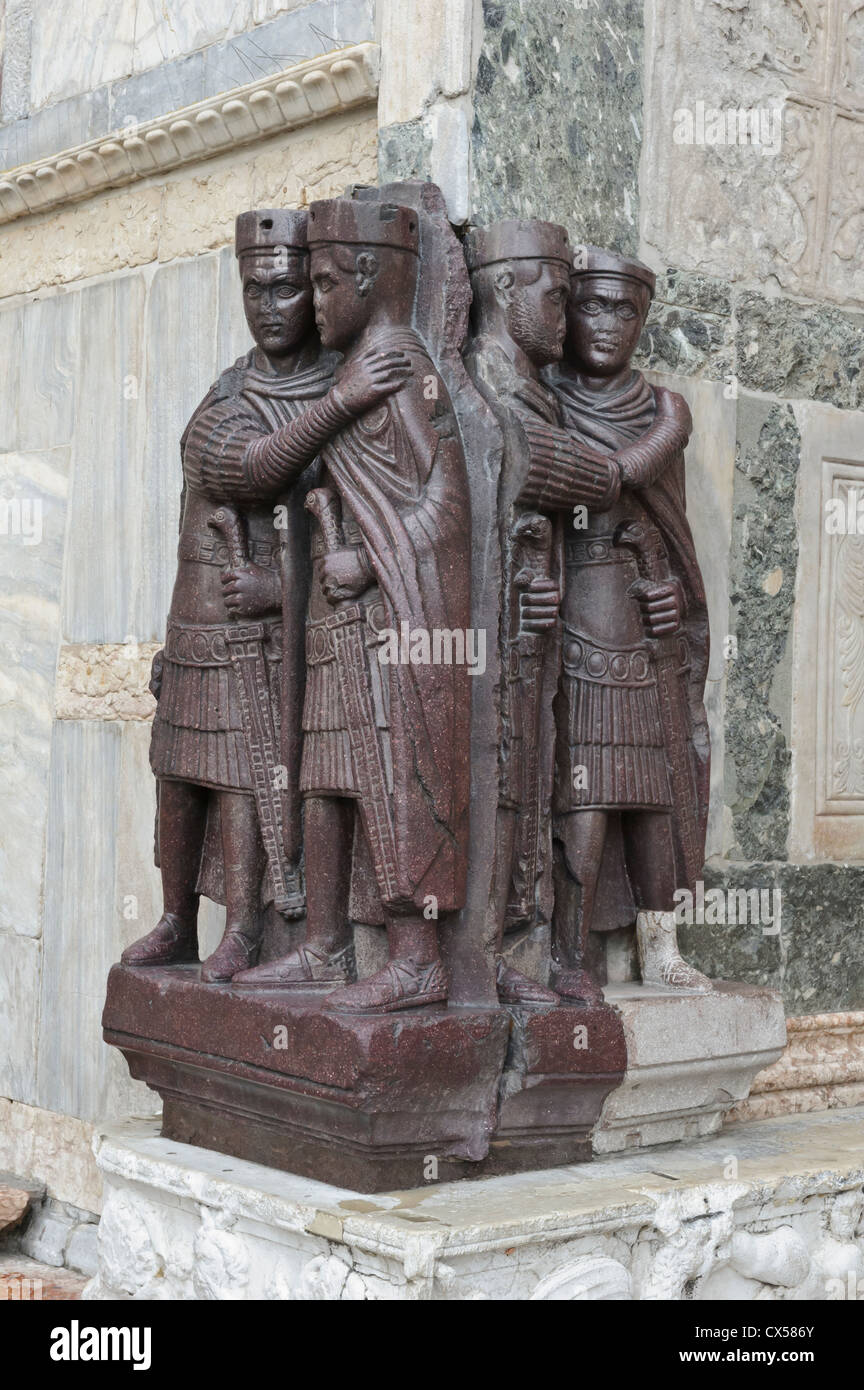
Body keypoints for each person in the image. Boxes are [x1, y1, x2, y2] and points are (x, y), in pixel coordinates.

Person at [235, 196, 472, 1013]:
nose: (315, 302)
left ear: (370, 278)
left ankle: (418, 957)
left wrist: (368, 559)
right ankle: (324, 949)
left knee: (396, 782)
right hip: (343, 631)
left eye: (327, 281)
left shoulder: (403, 369)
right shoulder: (355, 375)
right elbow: (268, 470)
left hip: (390, 630)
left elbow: (446, 505)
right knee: (328, 782)